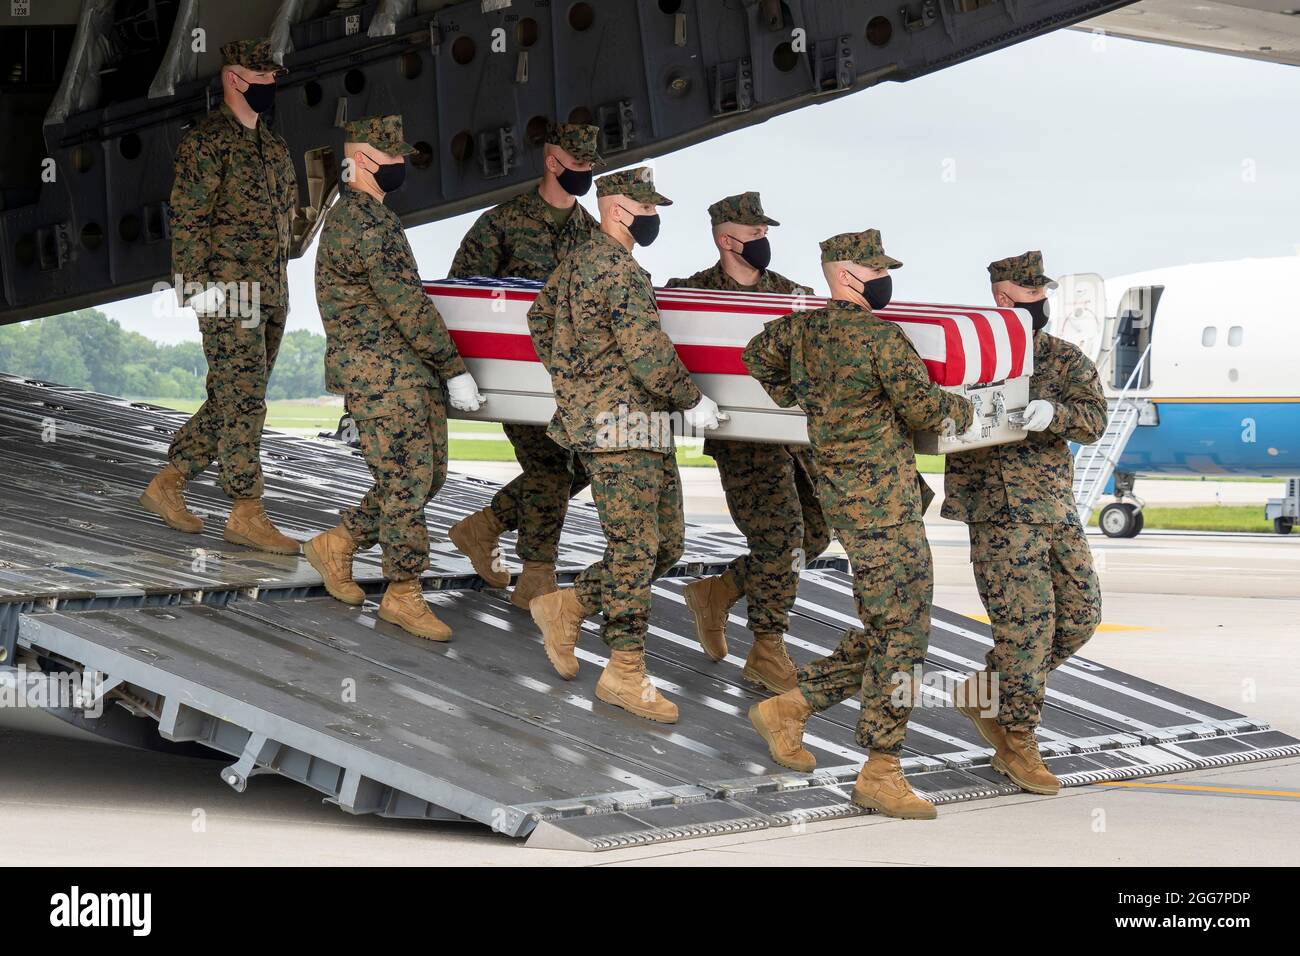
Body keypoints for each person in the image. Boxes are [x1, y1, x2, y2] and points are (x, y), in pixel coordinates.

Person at [742, 229, 974, 819]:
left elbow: (754, 356)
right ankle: (879, 768)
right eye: (876, 271)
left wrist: (800, 396)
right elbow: (924, 408)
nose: (884, 280)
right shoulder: (881, 339)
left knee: (894, 628)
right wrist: (969, 408)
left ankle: (790, 708)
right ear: (848, 276)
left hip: (844, 498)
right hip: (885, 505)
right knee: (902, 635)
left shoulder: (798, 332)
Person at [526, 167, 726, 723]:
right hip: (618, 430)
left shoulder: (582, 264)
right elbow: (648, 352)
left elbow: (540, 318)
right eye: (646, 209)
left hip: (640, 426)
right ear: (618, 209)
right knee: (636, 551)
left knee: (666, 546)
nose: (653, 218)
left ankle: (567, 605)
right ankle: (624, 671)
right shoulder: (611, 268)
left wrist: (575, 377)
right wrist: (690, 400)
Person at [304, 115, 484, 641]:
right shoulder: (362, 223)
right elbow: (409, 307)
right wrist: (454, 369)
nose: (401, 167)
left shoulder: (376, 218)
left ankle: (337, 543)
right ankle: (403, 592)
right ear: (359, 163)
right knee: (407, 481)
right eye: (390, 159)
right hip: (380, 375)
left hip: (404, 373)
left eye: (402, 157)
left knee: (427, 478)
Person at [945, 250, 1107, 794]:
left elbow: (1094, 420)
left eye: (1044, 295)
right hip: (997, 512)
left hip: (1055, 509)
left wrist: (1055, 414)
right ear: (1002, 296)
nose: (1040, 304)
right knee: (1026, 631)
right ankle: (1016, 741)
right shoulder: (972, 353)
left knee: (1081, 617)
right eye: (1029, 294)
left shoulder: (1063, 358)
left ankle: (987, 690)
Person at [139, 37, 299, 554]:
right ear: (234, 80)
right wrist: (196, 290)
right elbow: (188, 219)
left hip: (271, 292)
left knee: (235, 397)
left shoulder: (273, 146)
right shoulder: (206, 143)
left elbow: (288, 217)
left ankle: (169, 480)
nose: (272, 85)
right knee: (245, 400)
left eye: (274, 77)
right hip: (226, 295)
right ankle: (246, 511)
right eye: (262, 78)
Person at [666, 191, 828, 693]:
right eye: (754, 234)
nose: (762, 242)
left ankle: (719, 590)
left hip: (794, 439)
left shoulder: (793, 295)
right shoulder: (689, 295)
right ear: (725, 238)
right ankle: (767, 646)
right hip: (741, 439)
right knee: (779, 538)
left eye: (764, 234)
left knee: (817, 532)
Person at [446, 124, 603, 610]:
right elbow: (461, 294)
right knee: (552, 465)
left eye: (590, 166)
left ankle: (485, 526)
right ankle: (537, 575)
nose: (585, 174)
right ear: (552, 160)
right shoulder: (501, 224)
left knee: (581, 467)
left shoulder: (593, 236)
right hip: (514, 377)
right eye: (577, 164)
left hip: (570, 381)